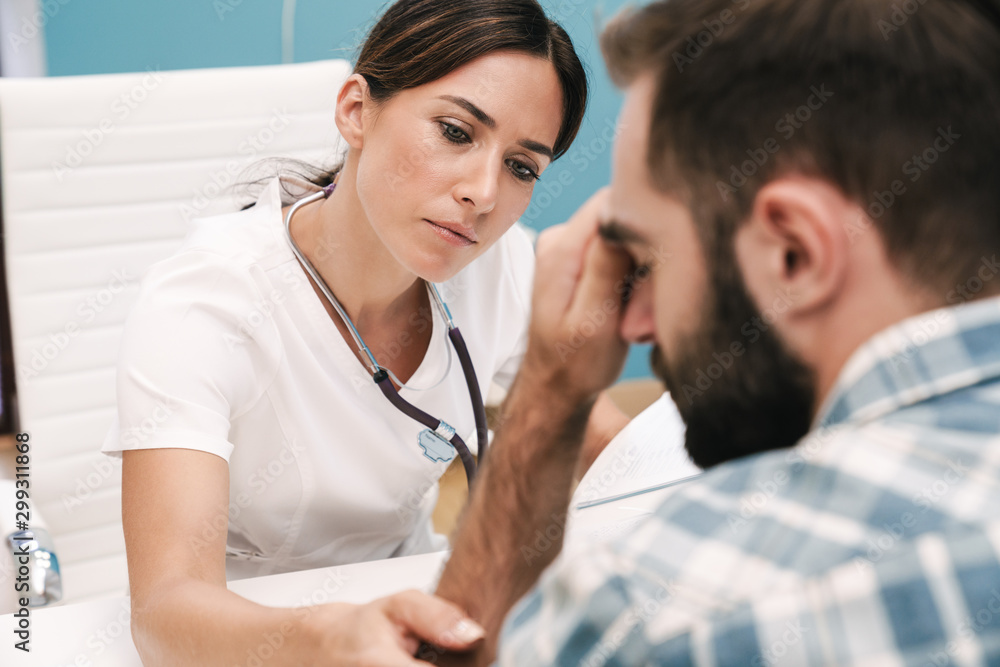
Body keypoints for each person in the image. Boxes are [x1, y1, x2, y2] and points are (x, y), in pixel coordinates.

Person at [425, 0, 1000, 663]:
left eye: (648, 255)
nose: (634, 322)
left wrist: (550, 393)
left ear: (795, 253)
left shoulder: (661, 613)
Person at [101, 0, 630, 664]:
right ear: (355, 110)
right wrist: (329, 636)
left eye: (522, 167)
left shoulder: (501, 266)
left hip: (410, 605)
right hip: (248, 639)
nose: (484, 192)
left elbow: (619, 448)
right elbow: (164, 612)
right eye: (456, 132)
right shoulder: (204, 308)